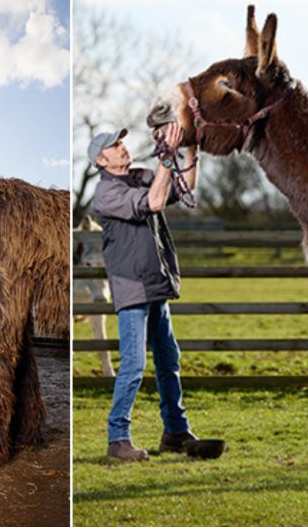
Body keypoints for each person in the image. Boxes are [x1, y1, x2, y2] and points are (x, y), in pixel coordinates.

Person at [90, 123, 200, 461]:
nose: (122, 147)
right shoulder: (105, 195)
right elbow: (154, 202)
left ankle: (176, 431)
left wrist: (192, 147)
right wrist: (166, 159)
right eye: (114, 146)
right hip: (132, 288)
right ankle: (117, 438)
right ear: (100, 161)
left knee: (169, 360)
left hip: (155, 285)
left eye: (122, 141)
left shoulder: (139, 176)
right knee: (134, 365)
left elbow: (183, 188)